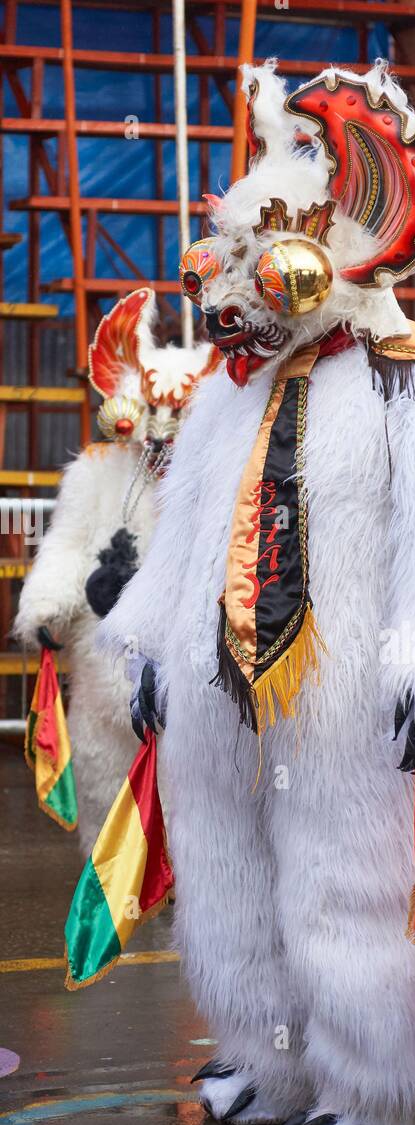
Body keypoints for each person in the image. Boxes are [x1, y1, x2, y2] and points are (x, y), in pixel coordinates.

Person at [98, 61, 415, 1125]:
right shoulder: (228, 394)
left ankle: (384, 1092)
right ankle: (272, 1059)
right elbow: (183, 531)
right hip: (225, 702)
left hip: (353, 718)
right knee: (229, 872)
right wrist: (148, 639)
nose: (228, 276)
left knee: (351, 885)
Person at [13, 290, 218, 850]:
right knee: (106, 792)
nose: (163, 430)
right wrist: (48, 606)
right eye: (156, 413)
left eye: (178, 414)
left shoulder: (214, 483)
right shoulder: (96, 472)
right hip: (103, 672)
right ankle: (112, 906)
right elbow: (67, 544)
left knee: (189, 805)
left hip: (184, 675)